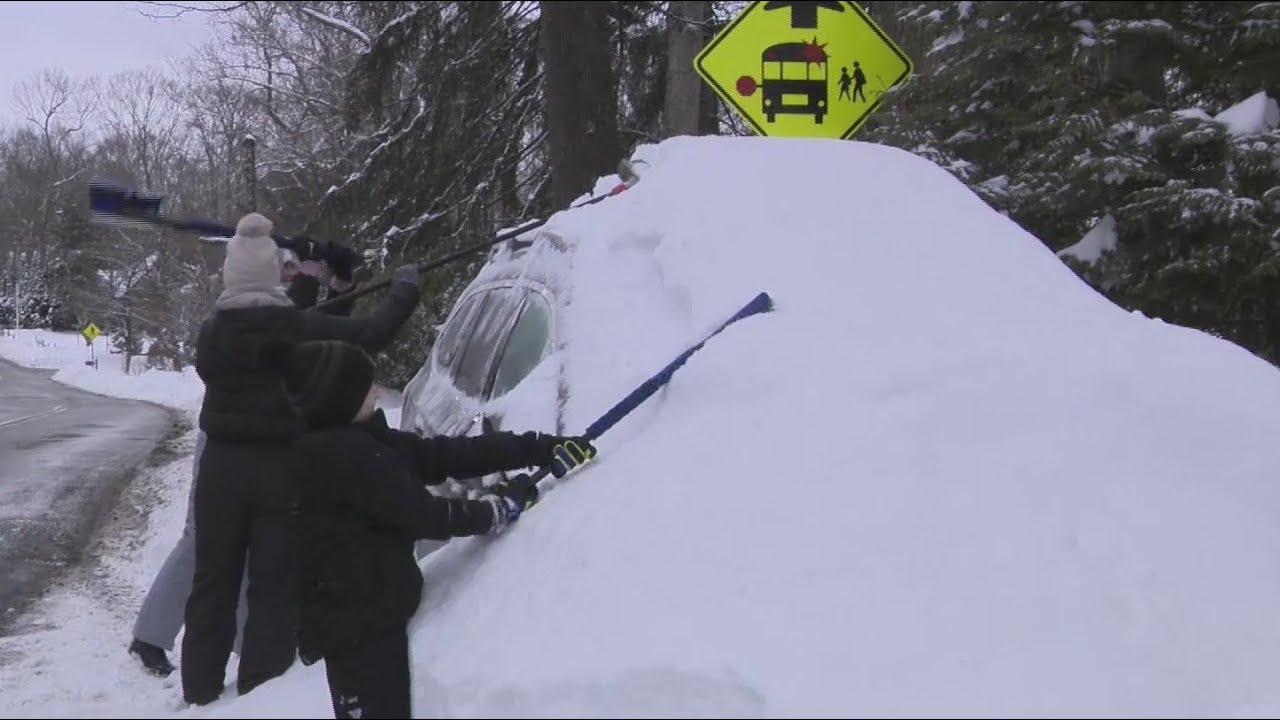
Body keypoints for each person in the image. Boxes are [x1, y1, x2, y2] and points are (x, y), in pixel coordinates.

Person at [257, 337, 596, 719]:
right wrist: (499, 509)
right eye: (366, 386)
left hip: (374, 609)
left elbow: (443, 455)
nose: (377, 390)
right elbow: (425, 515)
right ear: (339, 399)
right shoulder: (339, 458)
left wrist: (537, 446)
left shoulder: (362, 439)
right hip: (358, 628)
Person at [181, 212, 423, 707]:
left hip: (221, 471)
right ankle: (258, 690)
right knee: (273, 582)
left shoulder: (213, 333)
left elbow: (301, 321)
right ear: (273, 275)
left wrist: (327, 291)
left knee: (213, 578)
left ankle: (199, 688)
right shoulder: (292, 326)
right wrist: (404, 291)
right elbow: (369, 334)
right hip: (280, 470)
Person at [127, 246, 346, 678]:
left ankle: (247, 646)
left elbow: (311, 330)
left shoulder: (276, 304)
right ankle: (151, 637)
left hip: (245, 437)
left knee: (243, 544)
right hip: (224, 435)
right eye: (290, 266)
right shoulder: (248, 305)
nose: (293, 273)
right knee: (200, 539)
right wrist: (327, 284)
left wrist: (339, 287)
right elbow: (300, 324)